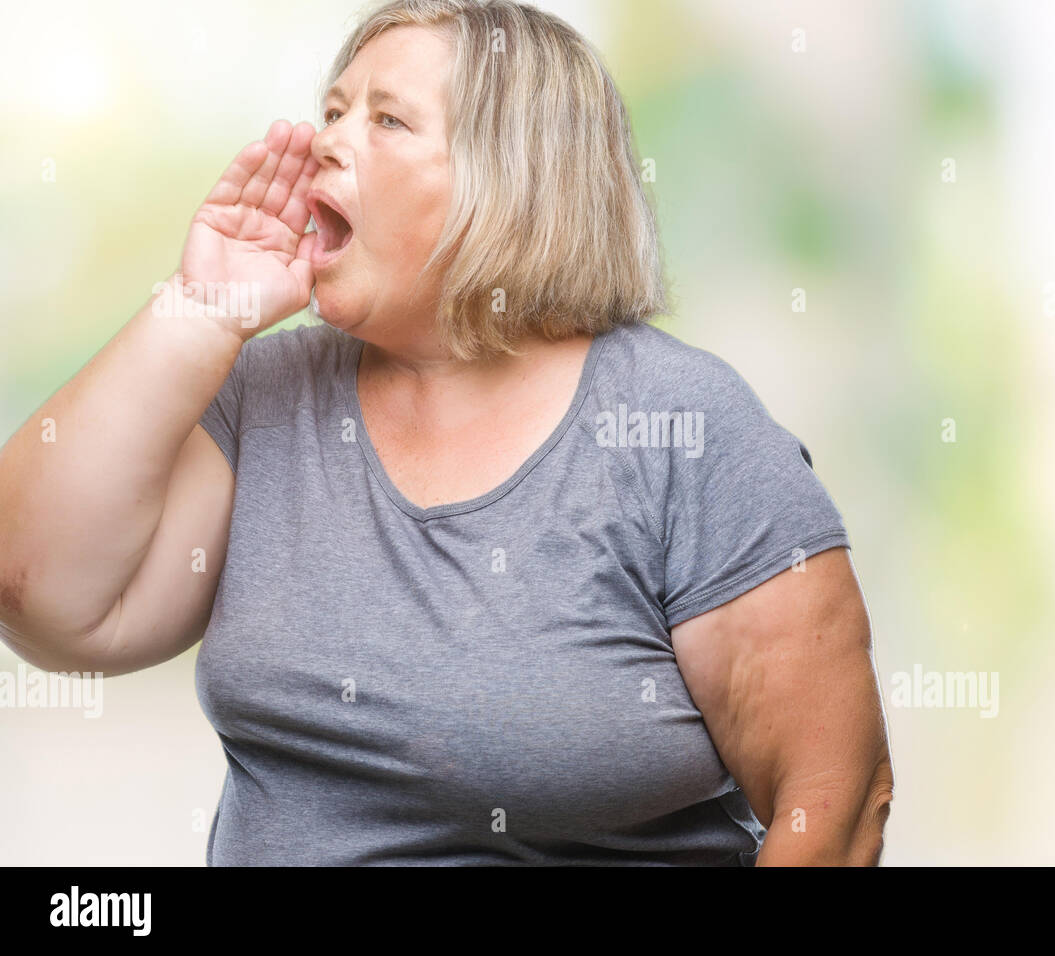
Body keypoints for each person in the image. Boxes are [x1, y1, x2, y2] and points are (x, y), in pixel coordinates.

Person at [0, 0, 893, 865]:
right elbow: (41, 594)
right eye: (334, 110)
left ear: (515, 176)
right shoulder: (265, 394)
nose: (326, 141)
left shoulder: (680, 423)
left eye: (388, 120)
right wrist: (200, 311)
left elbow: (836, 804)